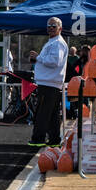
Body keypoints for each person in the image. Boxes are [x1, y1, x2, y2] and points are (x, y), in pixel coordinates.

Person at [28, 17, 68, 147]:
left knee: (43, 113)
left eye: (53, 26)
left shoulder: (57, 43)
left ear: (60, 28)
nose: (50, 28)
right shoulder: (53, 42)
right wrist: (39, 59)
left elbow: (54, 62)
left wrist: (38, 57)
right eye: (49, 26)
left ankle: (38, 139)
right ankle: (54, 139)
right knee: (52, 115)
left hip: (49, 84)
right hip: (51, 83)